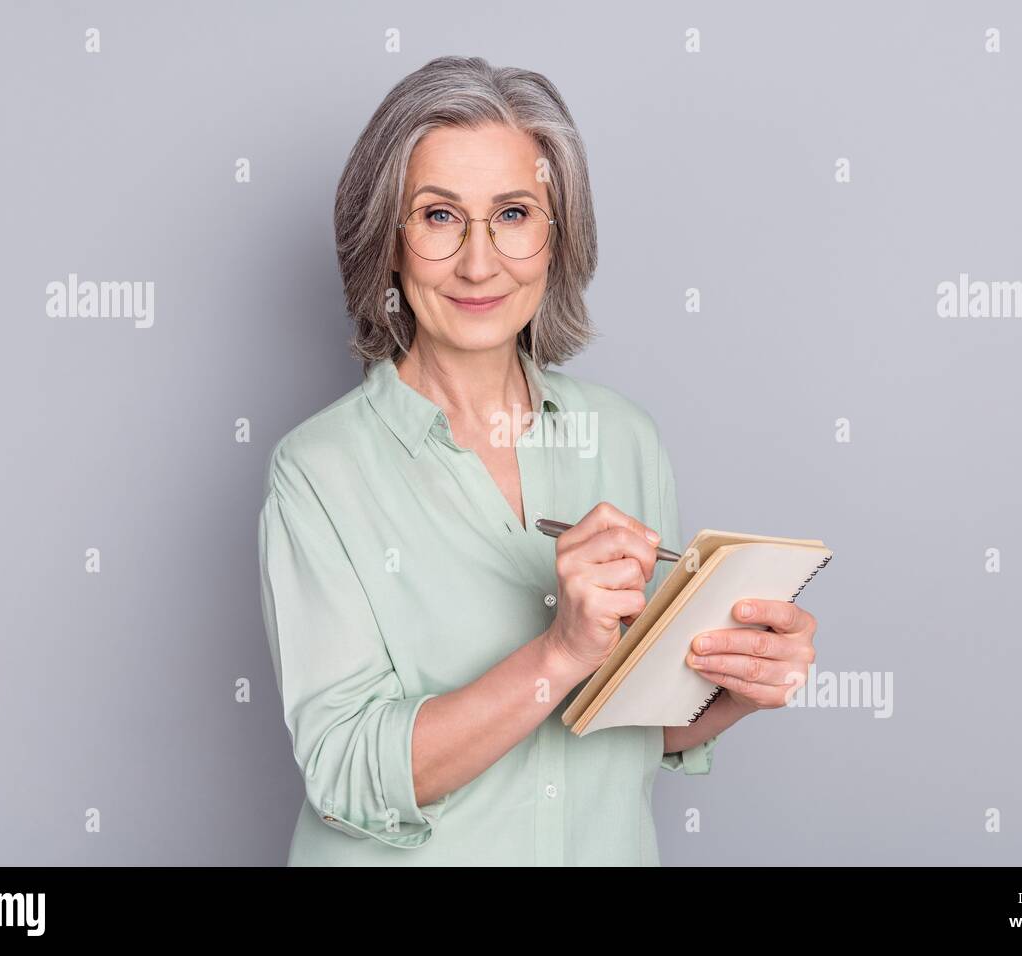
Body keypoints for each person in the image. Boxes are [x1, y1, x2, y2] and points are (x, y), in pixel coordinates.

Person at [257, 56, 819, 866]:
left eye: (514, 214)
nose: (480, 264)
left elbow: (621, 724)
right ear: (387, 241)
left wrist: (735, 683)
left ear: (558, 238)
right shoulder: (318, 472)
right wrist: (558, 651)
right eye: (440, 217)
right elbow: (348, 775)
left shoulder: (626, 438)